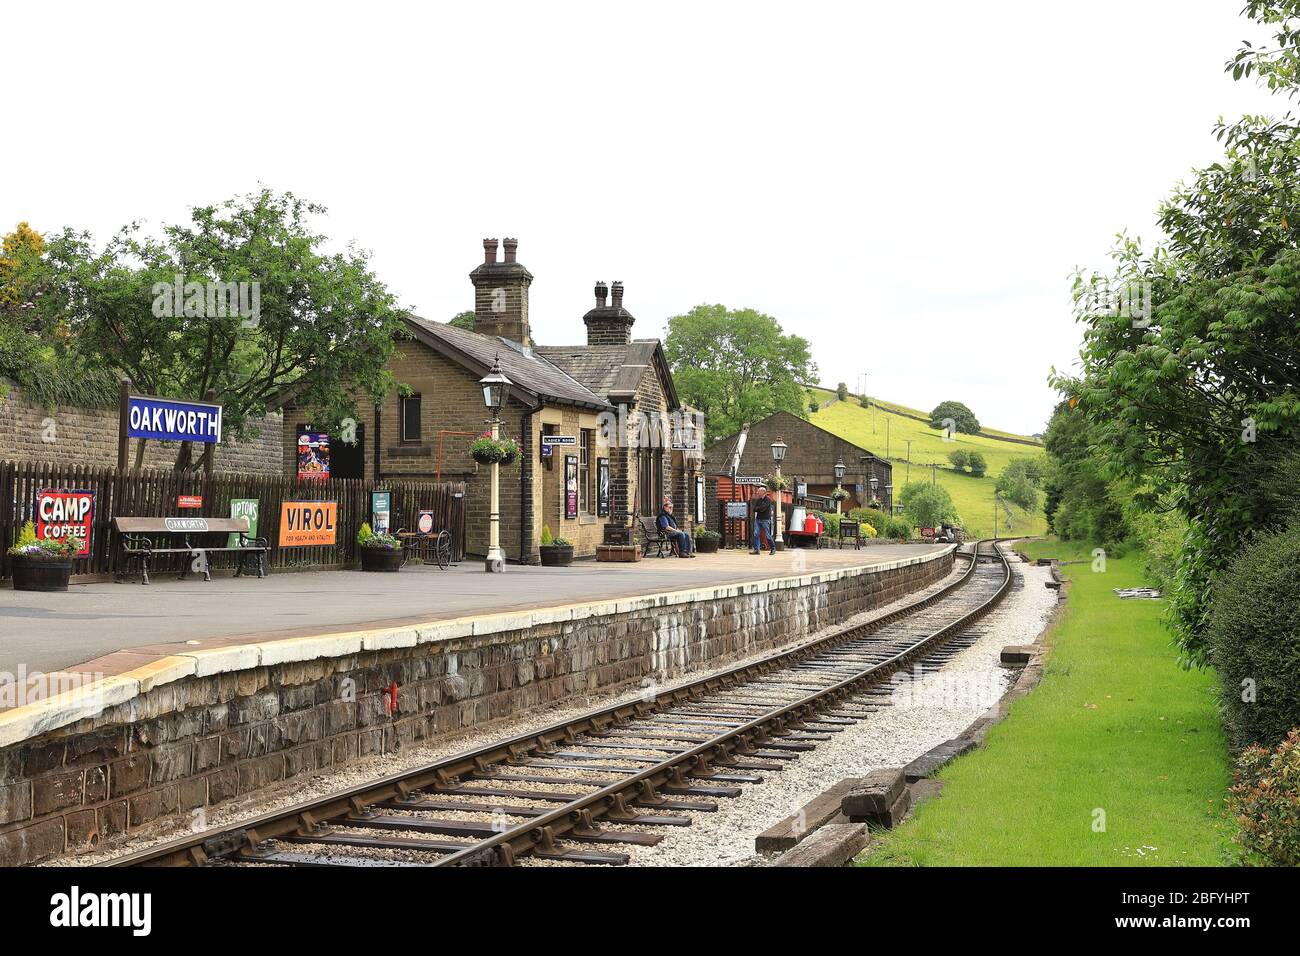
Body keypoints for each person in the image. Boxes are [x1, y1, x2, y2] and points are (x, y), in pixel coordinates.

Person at [750, 487, 776, 555]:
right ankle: (756, 550)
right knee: (756, 534)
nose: (757, 493)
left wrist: (759, 508)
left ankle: (773, 549)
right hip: (758, 519)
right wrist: (760, 508)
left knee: (768, 535)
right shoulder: (758, 500)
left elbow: (763, 508)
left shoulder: (768, 499)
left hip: (765, 519)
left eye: (758, 491)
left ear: (763, 492)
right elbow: (754, 509)